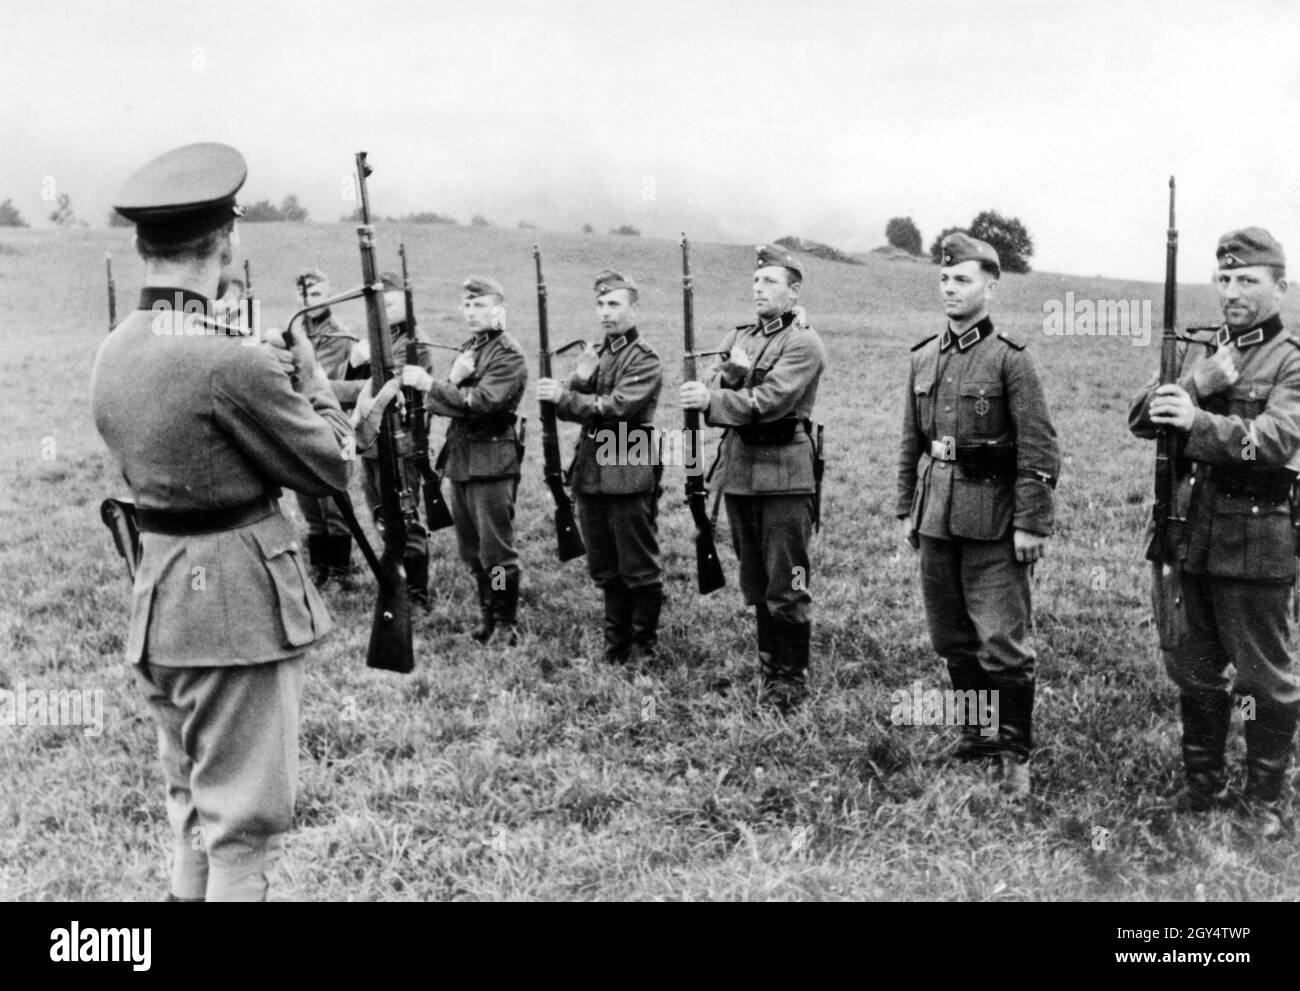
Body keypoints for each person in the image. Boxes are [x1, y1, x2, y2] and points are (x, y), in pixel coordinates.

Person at [90, 142, 353, 900]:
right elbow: (329, 465)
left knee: (195, 813)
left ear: (148, 245)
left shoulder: (114, 353)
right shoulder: (232, 362)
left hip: (162, 601)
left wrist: (254, 375)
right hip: (234, 613)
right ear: (225, 241)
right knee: (243, 830)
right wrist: (307, 381)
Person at [1129, 227, 1299, 836]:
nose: (1232, 290)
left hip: (1255, 539)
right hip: (1189, 531)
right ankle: (1203, 783)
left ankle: (1263, 800)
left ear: (1279, 286)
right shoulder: (1206, 351)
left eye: (1248, 280)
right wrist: (1200, 381)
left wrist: (1199, 418)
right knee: (1196, 667)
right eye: (1224, 279)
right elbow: (1140, 419)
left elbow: (1277, 441)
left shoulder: (1291, 361)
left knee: (1264, 678)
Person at [896, 232, 1060, 794]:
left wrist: (1032, 523)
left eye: (962, 279)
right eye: (944, 279)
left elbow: (1040, 448)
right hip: (936, 518)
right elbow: (909, 443)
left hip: (993, 521)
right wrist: (905, 510)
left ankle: (1014, 756)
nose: (950, 288)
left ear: (991, 286)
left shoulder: (1012, 360)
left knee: (1003, 642)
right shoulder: (923, 355)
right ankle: (978, 734)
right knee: (951, 637)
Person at [680, 245, 826, 712]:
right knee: (756, 577)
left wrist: (718, 394)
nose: (759, 288)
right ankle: (769, 668)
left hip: (785, 473)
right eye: (756, 281)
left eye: (770, 281)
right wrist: (725, 382)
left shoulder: (803, 343)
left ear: (793, 290)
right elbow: (709, 389)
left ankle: (791, 680)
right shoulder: (738, 336)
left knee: (787, 579)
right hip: (741, 473)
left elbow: (770, 401)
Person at [537, 270, 664, 664]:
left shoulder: (643, 358)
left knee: (638, 564)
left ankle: (643, 647)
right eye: (601, 304)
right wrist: (577, 377)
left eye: (614, 304)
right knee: (606, 564)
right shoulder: (600, 354)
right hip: (592, 467)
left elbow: (615, 409)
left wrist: (564, 396)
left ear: (633, 308)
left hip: (628, 458)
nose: (605, 312)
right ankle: (615, 647)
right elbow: (573, 400)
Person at [400, 276, 527, 644]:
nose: (471, 311)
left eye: (480, 305)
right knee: (472, 549)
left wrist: (435, 385)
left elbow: (484, 402)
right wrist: (447, 385)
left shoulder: (507, 353)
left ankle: (504, 623)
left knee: (496, 550)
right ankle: (488, 617)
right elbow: (439, 404)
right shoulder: (472, 348)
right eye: (467, 305)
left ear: (499, 311)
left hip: (491, 461)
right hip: (462, 460)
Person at [357, 272, 436, 609]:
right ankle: (398, 579)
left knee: (405, 518)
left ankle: (416, 592)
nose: (382, 311)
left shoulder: (413, 345)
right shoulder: (377, 342)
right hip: (372, 444)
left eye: (389, 303)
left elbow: (390, 389)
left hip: (400, 444)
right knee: (381, 514)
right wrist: (354, 361)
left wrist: (367, 359)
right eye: (378, 305)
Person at [294, 267, 367, 588]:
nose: (310, 301)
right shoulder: (295, 329)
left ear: (329, 295)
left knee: (333, 501)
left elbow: (329, 384)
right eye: (305, 294)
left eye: (317, 294)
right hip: (300, 423)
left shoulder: (339, 335)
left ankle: (340, 570)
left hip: (332, 425)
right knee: (308, 500)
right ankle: (320, 567)